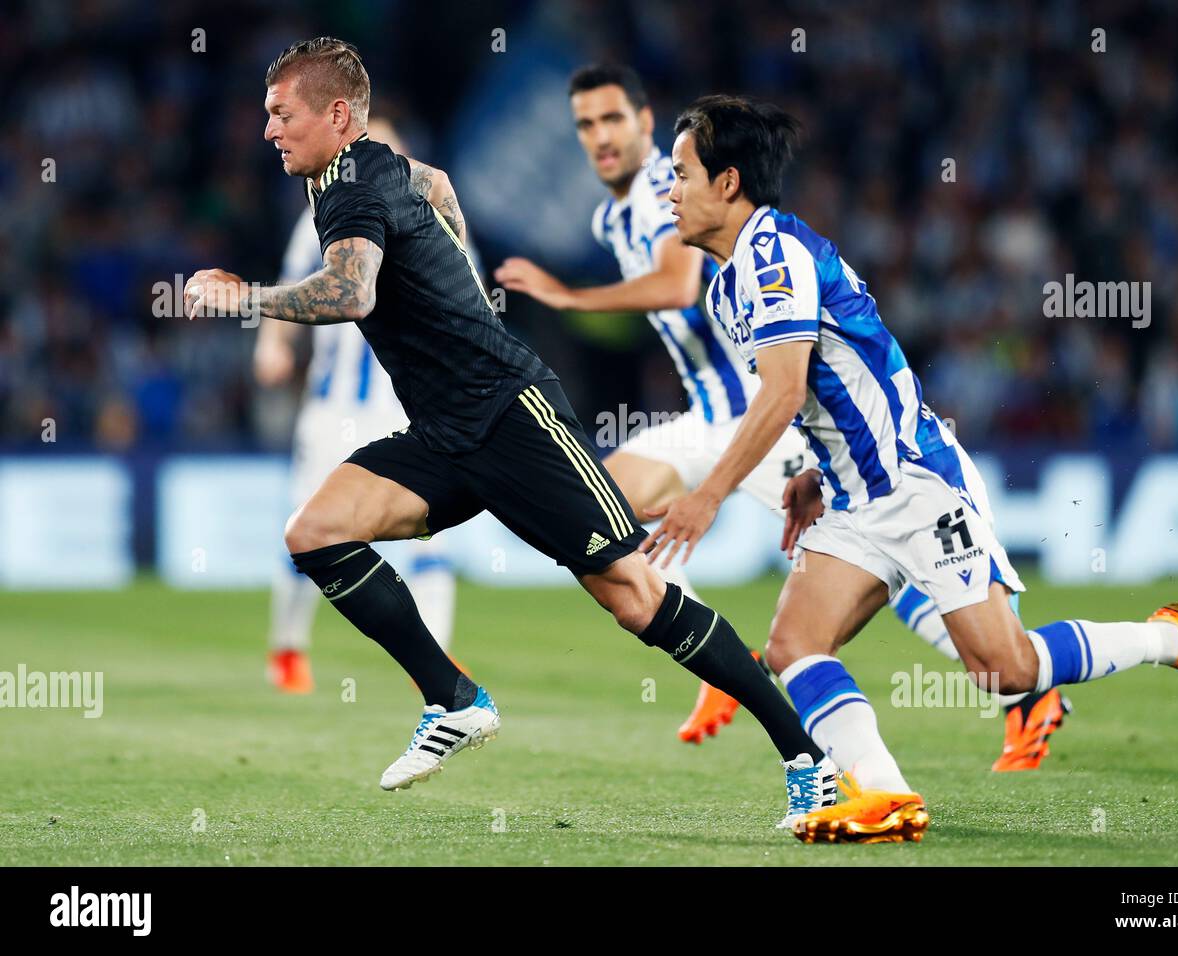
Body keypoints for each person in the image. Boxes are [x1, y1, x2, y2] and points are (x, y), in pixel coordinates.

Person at [182, 38, 836, 827]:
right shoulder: (371, 166)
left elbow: (352, 294)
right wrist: (454, 267)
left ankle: (807, 757)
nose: (268, 131)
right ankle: (454, 699)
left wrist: (244, 298)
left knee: (635, 599)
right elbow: (439, 184)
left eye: (281, 114)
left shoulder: (351, 187)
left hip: (513, 416)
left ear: (337, 114)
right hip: (445, 431)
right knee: (315, 531)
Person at [649, 94, 1178, 843]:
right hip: (850, 499)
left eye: (679, 172)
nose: (667, 189)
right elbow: (823, 381)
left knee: (1006, 668)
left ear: (729, 182)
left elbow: (780, 389)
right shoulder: (727, 283)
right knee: (793, 645)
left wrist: (707, 497)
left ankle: (1172, 637)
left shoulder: (773, 256)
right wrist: (812, 469)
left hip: (914, 483)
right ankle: (885, 796)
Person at [496, 63, 1070, 771]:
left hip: (761, 418)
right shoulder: (612, 215)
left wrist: (567, 297)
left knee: (881, 549)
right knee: (600, 504)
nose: (600, 137)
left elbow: (678, 285)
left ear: (645, 124)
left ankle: (1018, 685)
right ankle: (716, 655)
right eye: (585, 124)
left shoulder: (666, 189)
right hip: (710, 414)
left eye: (614, 119)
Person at [253, 117, 457, 694]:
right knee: (305, 530)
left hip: (405, 408)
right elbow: (290, 286)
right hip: (331, 408)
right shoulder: (319, 214)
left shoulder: (432, 215)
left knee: (429, 535)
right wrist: (272, 346)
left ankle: (437, 666)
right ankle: (288, 648)